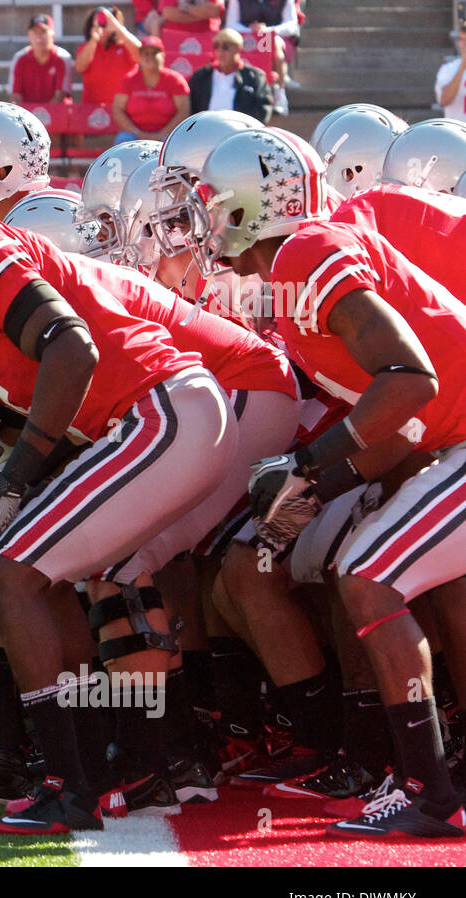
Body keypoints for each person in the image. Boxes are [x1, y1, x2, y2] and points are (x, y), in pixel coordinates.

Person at [179, 128, 466, 839]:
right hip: (449, 442)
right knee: (390, 572)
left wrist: (309, 468)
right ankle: (434, 780)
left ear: (254, 202)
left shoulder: (307, 249)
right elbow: (401, 416)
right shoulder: (293, 269)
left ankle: (430, 791)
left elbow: (410, 381)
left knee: (368, 574)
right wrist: (326, 480)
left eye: (215, 198)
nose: (205, 213)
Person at [112, 36, 190, 143]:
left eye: (154, 53)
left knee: (172, 144)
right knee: (122, 141)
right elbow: (118, 109)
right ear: (140, 56)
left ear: (163, 55)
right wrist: (137, 132)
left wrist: (162, 134)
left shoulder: (175, 80)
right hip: (133, 134)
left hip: (167, 134)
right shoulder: (129, 80)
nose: (150, 57)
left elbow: (183, 111)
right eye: (146, 53)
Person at [225, 0, 299, 92]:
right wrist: (252, 30)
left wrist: (268, 30)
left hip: (275, 38)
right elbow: (231, 24)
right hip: (246, 38)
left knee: (274, 43)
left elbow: (291, 25)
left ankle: (281, 89)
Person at [75, 5, 142, 105]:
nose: (99, 29)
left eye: (103, 24)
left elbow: (141, 55)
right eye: (95, 25)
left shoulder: (125, 45)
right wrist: (93, 41)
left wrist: (118, 28)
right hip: (94, 113)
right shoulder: (87, 47)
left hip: (123, 109)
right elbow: (80, 67)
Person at [9, 14, 74, 106]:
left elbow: (60, 97)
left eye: (43, 32)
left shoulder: (63, 58)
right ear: (29, 35)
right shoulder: (19, 58)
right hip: (27, 115)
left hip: (58, 114)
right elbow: (15, 96)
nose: (39, 37)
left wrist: (42, 115)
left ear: (53, 35)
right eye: (35, 32)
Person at [436, 24, 466, 124]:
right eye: (461, 39)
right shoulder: (448, 69)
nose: (464, 44)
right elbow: (444, 101)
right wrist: (462, 66)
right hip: (457, 134)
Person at [158, 0, 225, 34]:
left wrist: (186, 8)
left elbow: (215, 11)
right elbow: (168, 13)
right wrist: (203, 14)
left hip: (207, 37)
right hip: (176, 39)